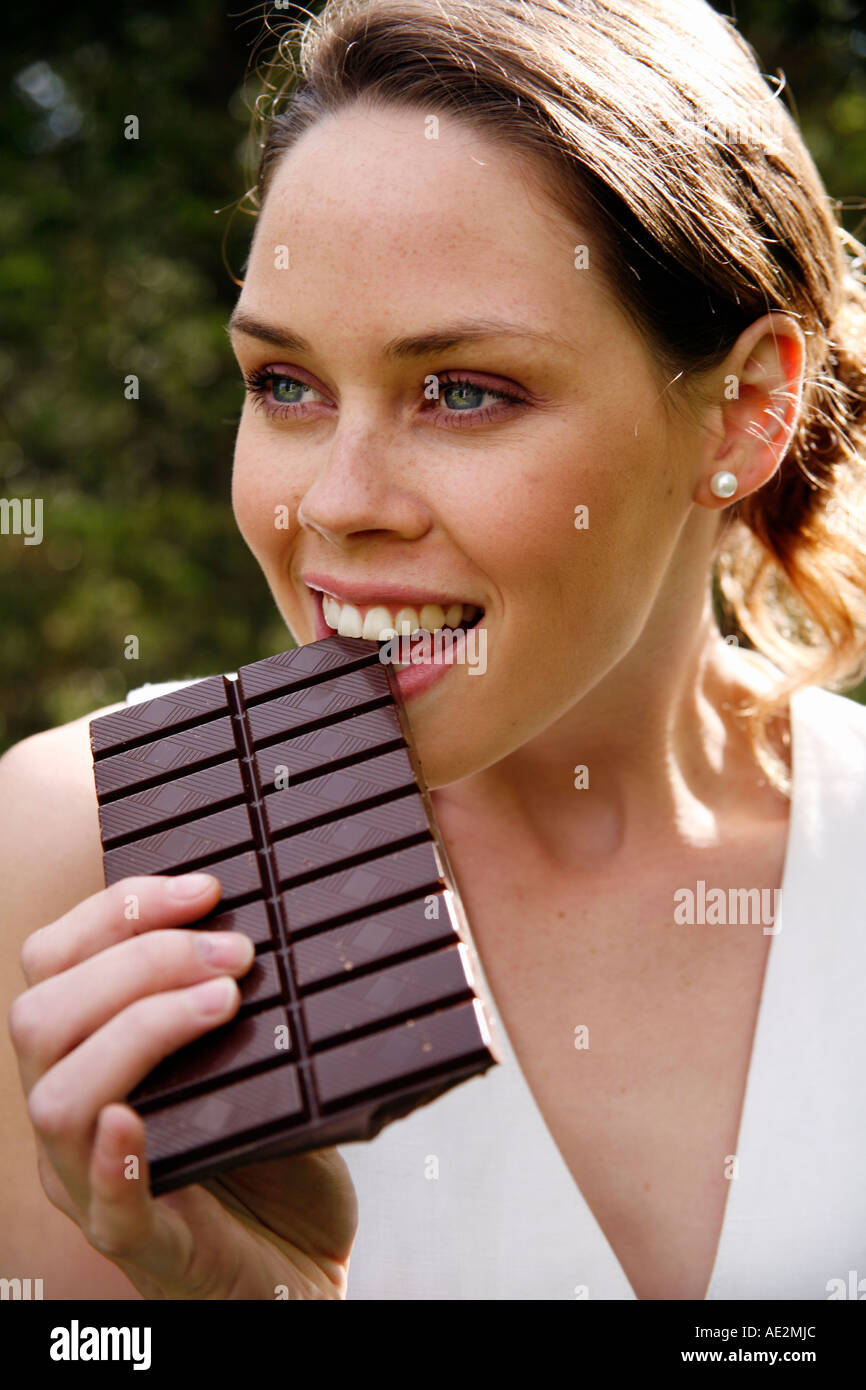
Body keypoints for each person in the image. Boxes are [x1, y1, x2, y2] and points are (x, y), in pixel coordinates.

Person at [2, 0, 865, 1301]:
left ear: (741, 413)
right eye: (283, 385)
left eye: (462, 391)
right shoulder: (87, 862)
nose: (339, 501)